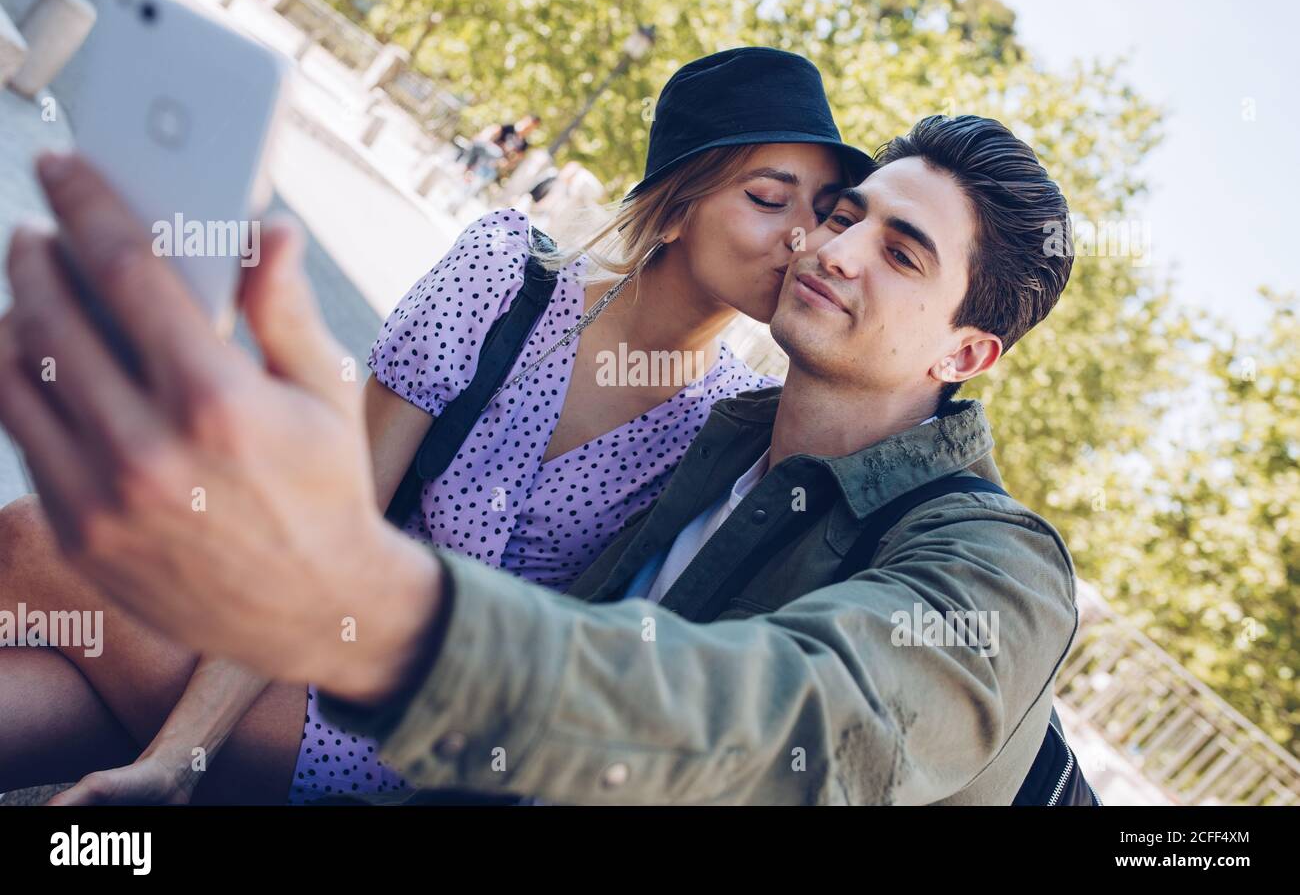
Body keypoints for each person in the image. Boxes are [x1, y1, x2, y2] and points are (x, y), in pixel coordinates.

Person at [0, 112, 1080, 804]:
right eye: (844, 216)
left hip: (418, 735)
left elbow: (800, 720)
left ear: (966, 349)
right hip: (435, 756)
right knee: (67, 688)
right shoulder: (734, 436)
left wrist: (386, 608)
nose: (828, 247)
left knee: (51, 551)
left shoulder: (1000, 563)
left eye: (898, 252)